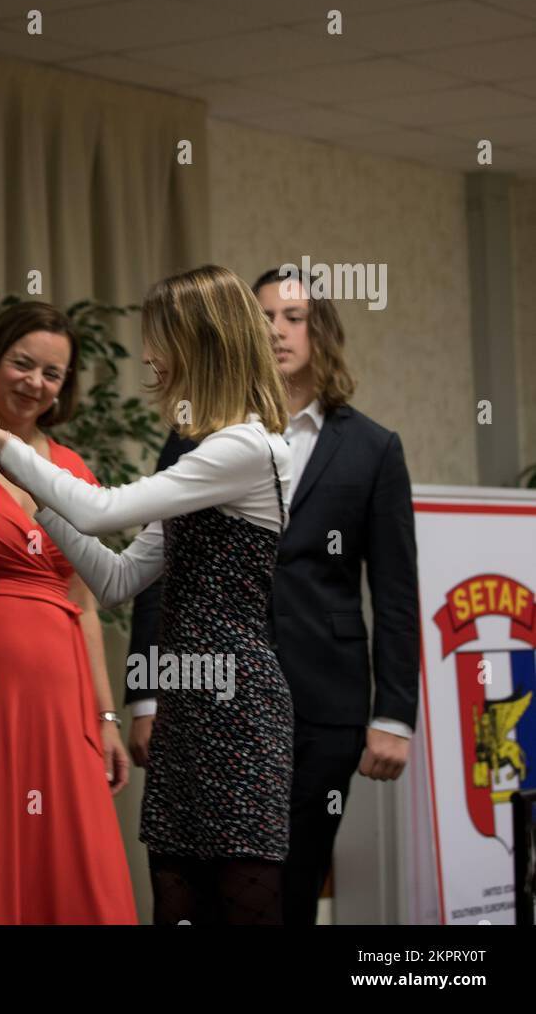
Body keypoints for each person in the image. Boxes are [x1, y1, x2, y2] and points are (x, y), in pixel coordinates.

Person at [0, 265, 294, 925]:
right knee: (177, 899)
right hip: (185, 706)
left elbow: (107, 509)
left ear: (201, 343)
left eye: (159, 338)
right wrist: (37, 505)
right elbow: (113, 580)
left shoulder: (246, 448)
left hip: (236, 706)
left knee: (241, 901)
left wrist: (4, 446)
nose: (147, 356)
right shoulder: (204, 453)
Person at [127, 268, 419, 925]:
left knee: (290, 890)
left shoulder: (374, 448)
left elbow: (397, 592)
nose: (278, 331)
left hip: (324, 702)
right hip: (209, 702)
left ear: (323, 331)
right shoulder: (196, 432)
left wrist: (394, 714)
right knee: (190, 888)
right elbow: (158, 567)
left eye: (294, 316)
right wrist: (146, 693)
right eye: (263, 317)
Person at [0, 302, 137, 924]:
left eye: (52, 374)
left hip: (65, 699)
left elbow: (84, 603)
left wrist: (105, 714)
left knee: (78, 865)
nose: (35, 383)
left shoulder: (71, 469)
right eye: (23, 364)